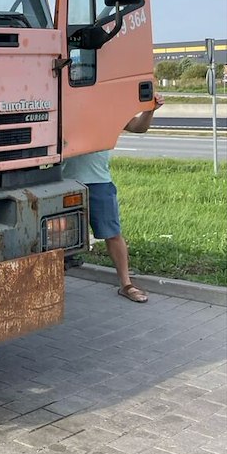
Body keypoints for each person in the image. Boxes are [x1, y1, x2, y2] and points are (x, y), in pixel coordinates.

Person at [62, 94, 164, 303]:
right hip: (65, 183)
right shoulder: (66, 106)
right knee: (58, 238)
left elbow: (138, 127)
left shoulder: (110, 109)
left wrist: (150, 110)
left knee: (113, 234)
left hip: (99, 182)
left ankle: (126, 284)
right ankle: (50, 285)